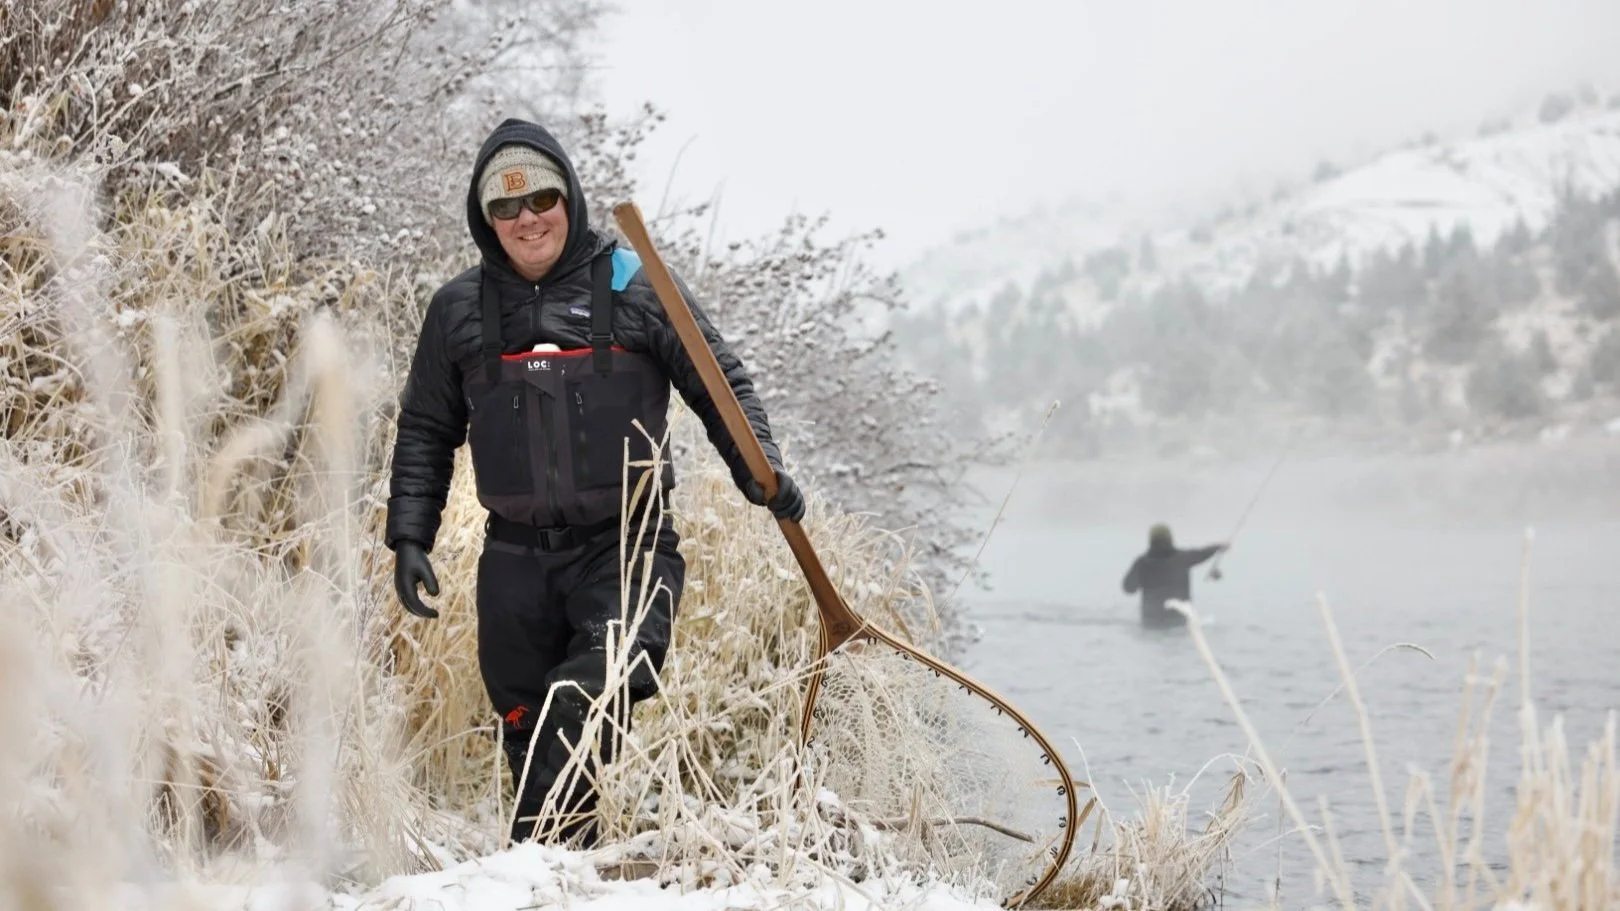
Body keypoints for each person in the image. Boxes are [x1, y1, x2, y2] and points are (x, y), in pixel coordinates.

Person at [384, 118, 806, 848]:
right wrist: (410, 535)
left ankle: (523, 871)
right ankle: (563, 873)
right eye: (505, 206)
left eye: (541, 198)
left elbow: (718, 382)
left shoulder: (634, 284)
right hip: (513, 562)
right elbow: (425, 426)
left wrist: (759, 469)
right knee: (529, 730)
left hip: (627, 548)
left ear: (569, 197)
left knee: (587, 694)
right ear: (486, 219)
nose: (527, 218)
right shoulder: (458, 308)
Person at [1121, 524, 1227, 628]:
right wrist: (1218, 547)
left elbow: (1128, 588)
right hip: (1180, 618)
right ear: (1170, 539)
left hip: (1151, 620)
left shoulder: (1142, 563)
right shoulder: (1183, 558)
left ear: (1151, 540)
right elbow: (1202, 553)